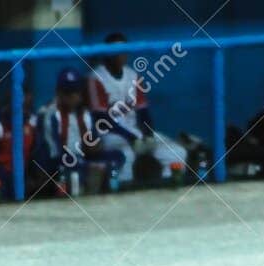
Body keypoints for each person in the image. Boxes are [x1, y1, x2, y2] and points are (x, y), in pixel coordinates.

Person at [89, 32, 189, 182]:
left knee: (177, 152)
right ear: (107, 54)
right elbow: (101, 118)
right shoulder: (95, 78)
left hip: (136, 131)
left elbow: (143, 111)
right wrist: (130, 138)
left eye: (124, 51)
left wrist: (148, 134)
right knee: (126, 156)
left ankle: (168, 190)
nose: (121, 55)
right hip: (110, 134)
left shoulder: (133, 76)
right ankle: (124, 193)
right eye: (116, 51)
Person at [32, 67, 119, 196]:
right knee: (70, 169)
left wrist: (95, 147)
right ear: (59, 92)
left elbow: (93, 142)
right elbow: (53, 151)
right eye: (68, 92)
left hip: (81, 158)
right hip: (57, 163)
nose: (73, 97)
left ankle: (107, 195)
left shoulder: (85, 114)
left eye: (76, 92)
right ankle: (78, 192)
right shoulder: (49, 114)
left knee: (116, 157)